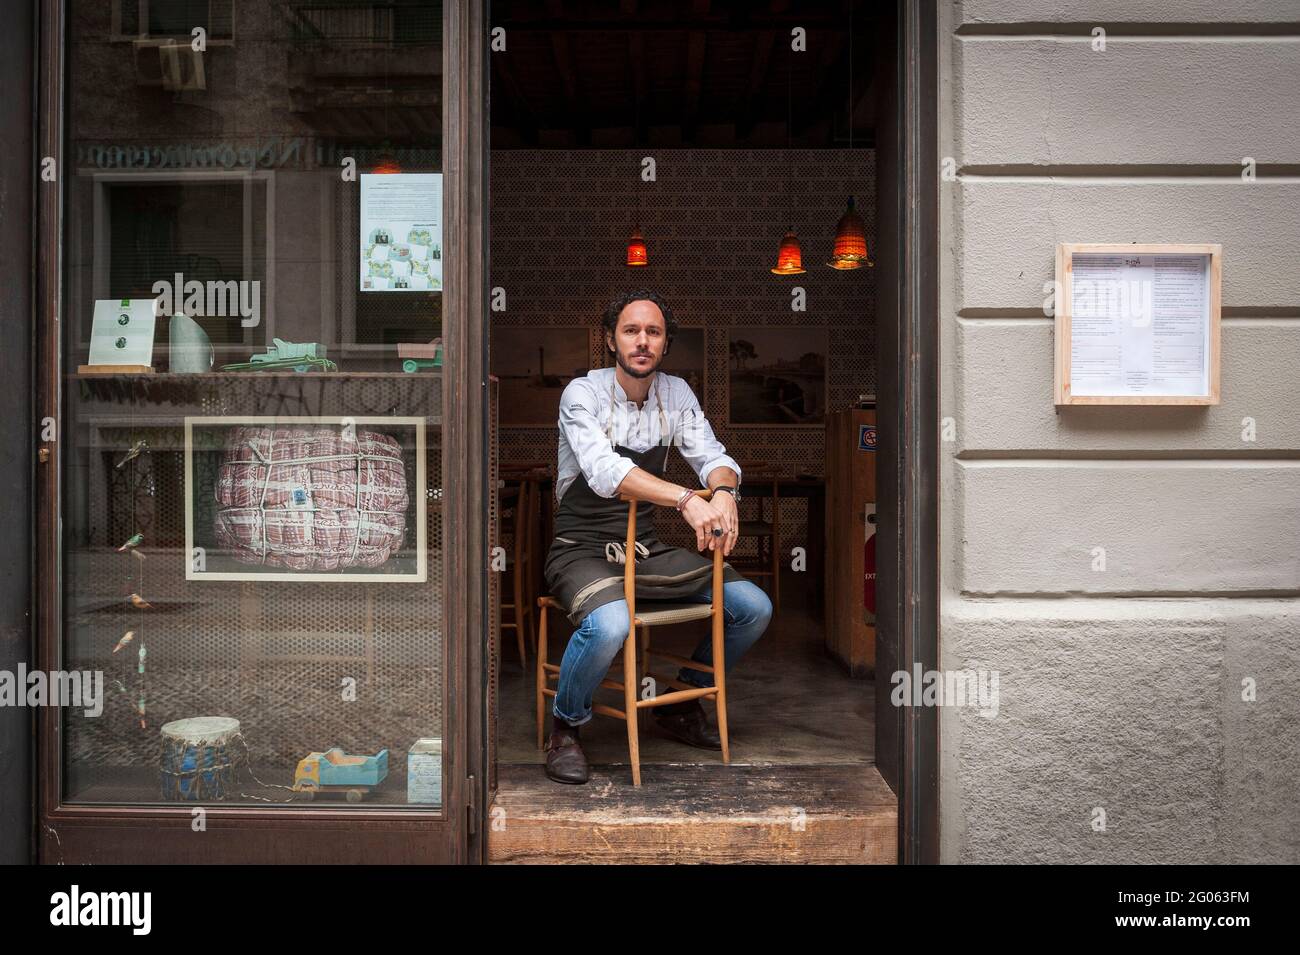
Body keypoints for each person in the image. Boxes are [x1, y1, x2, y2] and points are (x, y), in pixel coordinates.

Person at [542, 289, 773, 784]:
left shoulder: (677, 394)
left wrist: (725, 493)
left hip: (644, 548)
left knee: (753, 606)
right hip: (580, 548)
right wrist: (689, 500)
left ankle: (680, 706)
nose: (642, 341)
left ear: (666, 344)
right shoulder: (581, 395)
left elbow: (714, 457)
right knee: (609, 625)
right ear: (611, 340)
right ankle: (566, 724)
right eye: (631, 331)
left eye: (653, 332)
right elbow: (609, 473)